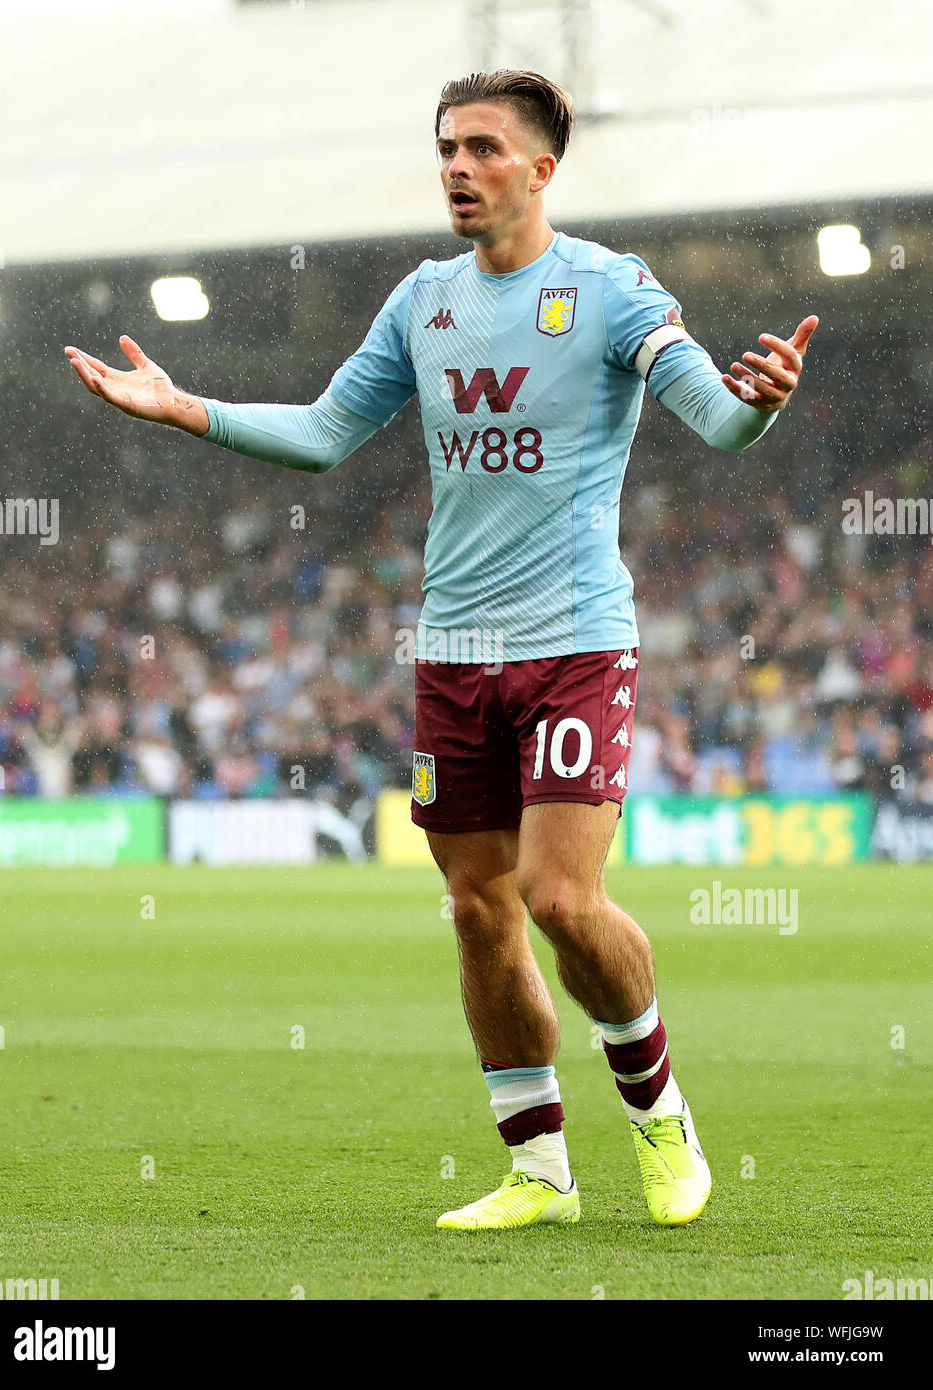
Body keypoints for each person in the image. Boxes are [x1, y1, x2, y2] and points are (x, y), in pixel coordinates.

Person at [65, 68, 817, 1231]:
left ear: (540, 169)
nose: (457, 167)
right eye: (445, 148)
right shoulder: (422, 301)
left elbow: (716, 420)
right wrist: (187, 409)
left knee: (564, 897)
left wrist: (759, 400)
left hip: (573, 642)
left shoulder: (612, 290)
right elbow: (323, 435)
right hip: (452, 651)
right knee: (478, 910)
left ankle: (661, 1115)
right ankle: (540, 1174)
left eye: (480, 147)